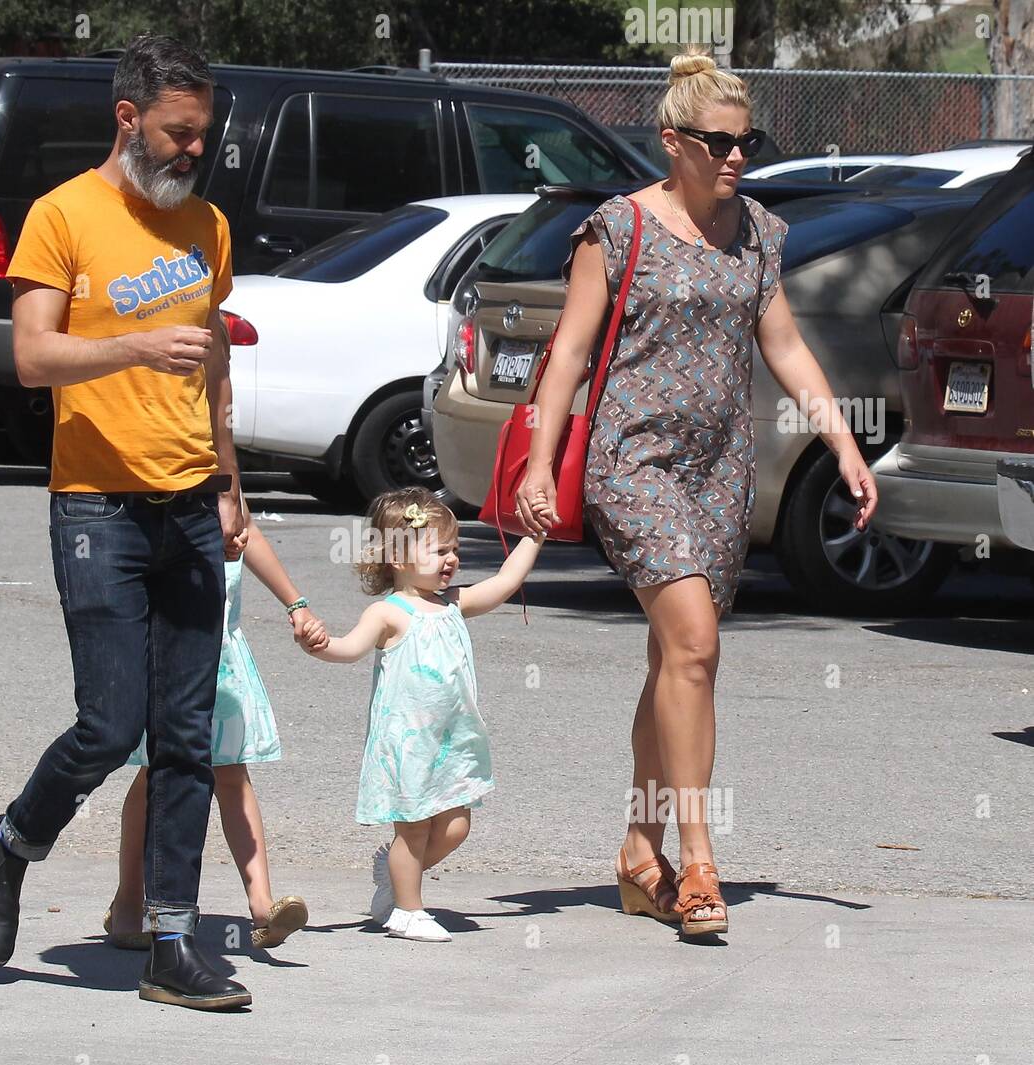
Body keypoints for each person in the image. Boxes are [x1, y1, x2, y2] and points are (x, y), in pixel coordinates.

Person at [514, 47, 879, 938]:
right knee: (696, 644)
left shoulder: (757, 230)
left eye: (746, 140)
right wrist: (537, 462)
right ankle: (700, 861)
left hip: (719, 472)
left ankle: (640, 847)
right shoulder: (618, 228)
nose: (736, 157)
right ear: (671, 142)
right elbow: (567, 351)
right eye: (718, 143)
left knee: (673, 659)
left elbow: (783, 344)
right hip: (633, 464)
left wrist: (843, 442)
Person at [0, 34, 255, 1010]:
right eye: (176, 134)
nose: (191, 152)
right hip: (97, 509)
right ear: (127, 119)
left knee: (184, 736)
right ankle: (9, 845)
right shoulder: (60, 216)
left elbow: (211, 358)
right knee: (109, 722)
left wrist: (229, 479)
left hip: (189, 509)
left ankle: (172, 945)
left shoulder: (205, 227)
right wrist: (130, 344)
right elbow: (33, 359)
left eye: (202, 137)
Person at [300, 487, 546, 942]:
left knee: (455, 826)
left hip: (452, 742)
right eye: (438, 551)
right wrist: (320, 645)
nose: (450, 559)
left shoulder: (454, 603)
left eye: (454, 549)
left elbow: (505, 583)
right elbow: (348, 649)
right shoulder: (388, 613)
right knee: (412, 831)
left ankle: (394, 878)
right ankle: (407, 910)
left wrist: (535, 536)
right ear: (397, 557)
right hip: (408, 744)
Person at [105, 505, 327, 951]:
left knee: (232, 774)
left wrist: (297, 605)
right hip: (170, 656)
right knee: (156, 773)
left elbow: (252, 532)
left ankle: (263, 906)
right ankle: (129, 900)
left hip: (223, 665)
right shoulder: (165, 495)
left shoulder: (229, 499)